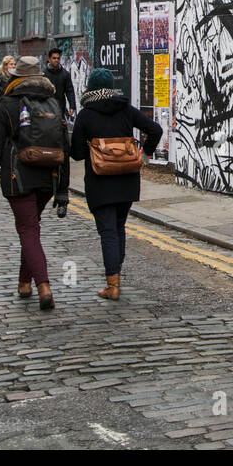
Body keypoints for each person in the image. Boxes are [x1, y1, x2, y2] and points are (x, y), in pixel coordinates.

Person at [0, 57, 70, 310]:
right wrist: (62, 191)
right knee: (31, 227)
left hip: (17, 178)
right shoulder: (54, 102)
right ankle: (24, 284)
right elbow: (64, 147)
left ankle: (44, 286)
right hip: (49, 177)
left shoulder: (8, 104)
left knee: (28, 230)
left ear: (16, 78)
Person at [68, 68, 162, 300]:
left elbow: (77, 154)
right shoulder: (125, 109)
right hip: (127, 180)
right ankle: (115, 277)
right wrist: (144, 154)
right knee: (119, 228)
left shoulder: (86, 114)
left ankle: (113, 286)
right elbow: (155, 129)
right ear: (111, 87)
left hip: (100, 182)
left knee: (108, 232)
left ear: (90, 87)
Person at [44, 49, 77, 121]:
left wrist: (72, 106)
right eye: (54, 58)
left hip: (60, 107)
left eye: (58, 58)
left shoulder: (65, 74)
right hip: (46, 107)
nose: (56, 60)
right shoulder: (44, 74)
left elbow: (69, 90)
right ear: (49, 59)